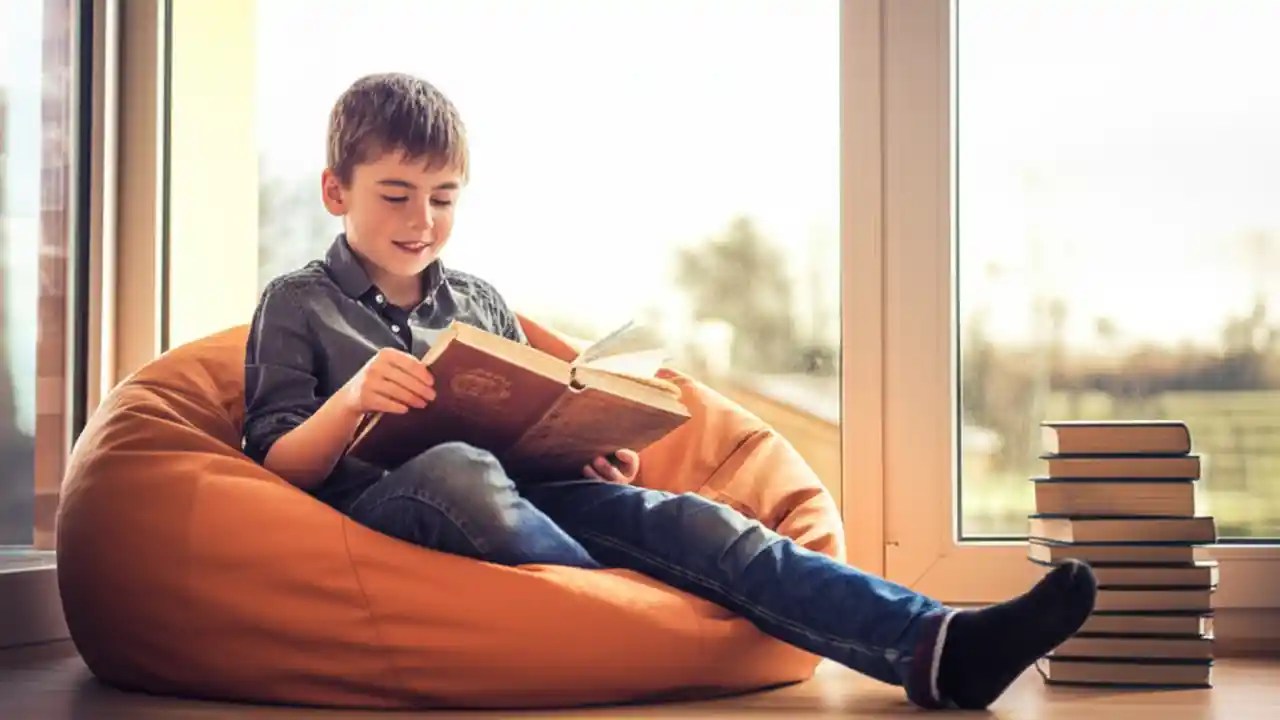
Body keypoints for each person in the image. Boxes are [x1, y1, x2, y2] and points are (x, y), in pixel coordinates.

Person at [243, 72, 1097, 710]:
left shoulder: (476, 300)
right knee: (461, 469)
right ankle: (642, 607)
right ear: (335, 192)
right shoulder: (297, 305)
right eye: (394, 195)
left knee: (693, 518)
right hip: (396, 508)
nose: (421, 219)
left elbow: (520, 419)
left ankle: (939, 644)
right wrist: (352, 399)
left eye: (443, 198)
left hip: (528, 494)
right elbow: (275, 467)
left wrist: (584, 441)